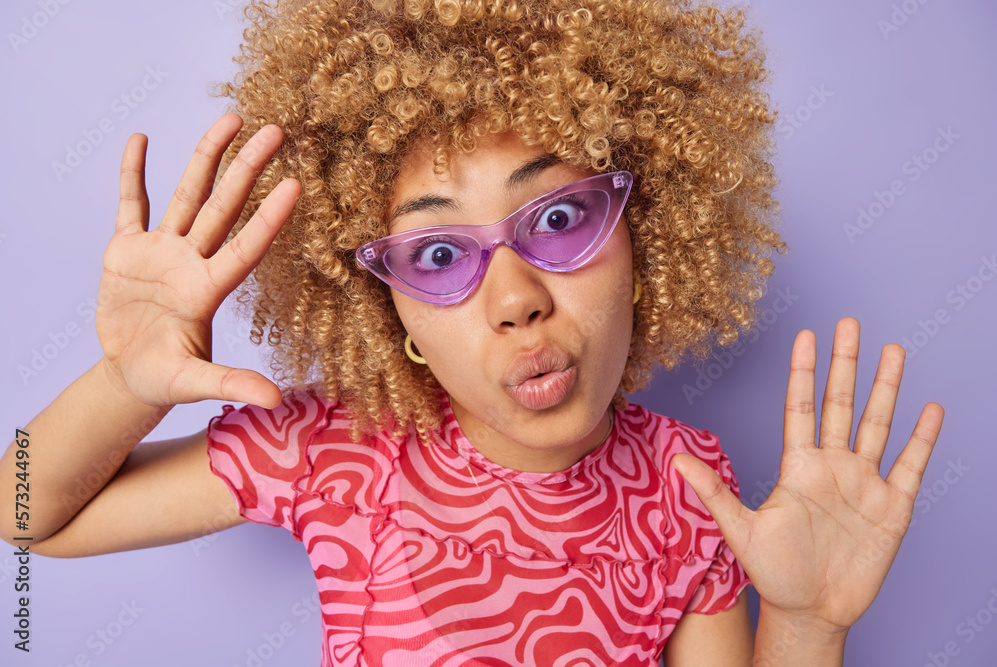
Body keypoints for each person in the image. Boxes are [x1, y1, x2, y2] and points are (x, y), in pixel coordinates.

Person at [1, 0, 944, 664]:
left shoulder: (690, 486)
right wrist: (128, 380)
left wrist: (809, 622)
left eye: (561, 219)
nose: (516, 298)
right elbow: (21, 511)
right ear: (388, 310)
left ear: (647, 238)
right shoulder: (333, 448)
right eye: (441, 254)